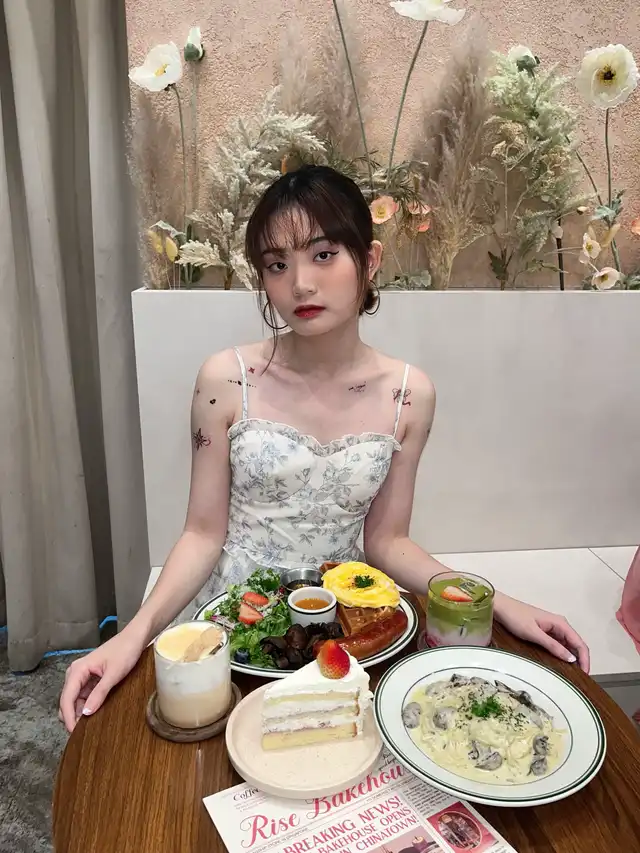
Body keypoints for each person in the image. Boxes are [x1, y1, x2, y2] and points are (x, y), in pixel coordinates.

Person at [59, 165, 589, 731]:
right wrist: (133, 636)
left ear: (370, 259)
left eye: (324, 254)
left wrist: (495, 600)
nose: (300, 284)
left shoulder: (410, 394)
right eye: (277, 264)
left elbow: (387, 542)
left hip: (345, 622)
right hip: (239, 616)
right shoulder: (226, 379)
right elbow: (203, 533)